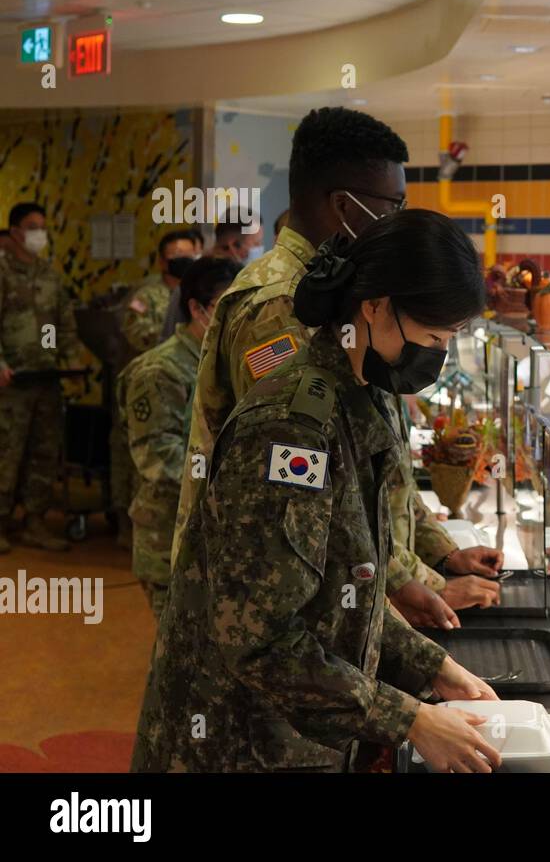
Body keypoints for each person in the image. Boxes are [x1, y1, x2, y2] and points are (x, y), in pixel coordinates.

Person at [132, 211, 502, 772]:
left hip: (293, 735)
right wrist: (411, 720)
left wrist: (431, 668)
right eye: (431, 338)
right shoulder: (290, 431)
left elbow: (342, 594)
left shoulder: (361, 394)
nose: (435, 356)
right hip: (235, 743)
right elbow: (262, 638)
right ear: (374, 305)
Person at [172, 106, 496, 628]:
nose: (398, 220)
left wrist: (436, 553)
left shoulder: (349, 292)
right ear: (346, 207)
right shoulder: (282, 307)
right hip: (274, 621)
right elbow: (304, 513)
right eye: (394, 205)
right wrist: (414, 586)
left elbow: (375, 468)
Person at [118, 257, 242, 619]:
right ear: (196, 308)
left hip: (216, 534)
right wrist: (231, 486)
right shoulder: (160, 371)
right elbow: (158, 458)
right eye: (226, 307)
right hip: (170, 539)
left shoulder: (227, 363)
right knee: (181, 664)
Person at [0, 202, 81, 553]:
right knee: (6, 453)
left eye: (42, 227)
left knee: (44, 452)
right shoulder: (2, 273)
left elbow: (63, 322)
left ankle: (35, 520)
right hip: (11, 381)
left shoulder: (49, 275)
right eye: (33, 227)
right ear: (15, 231)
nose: (40, 234)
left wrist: (73, 361)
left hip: (46, 377)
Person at [121, 230, 200, 353]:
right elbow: (135, 331)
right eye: (178, 255)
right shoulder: (146, 296)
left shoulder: (200, 292)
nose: (185, 261)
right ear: (162, 262)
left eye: (190, 256)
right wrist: (178, 336)